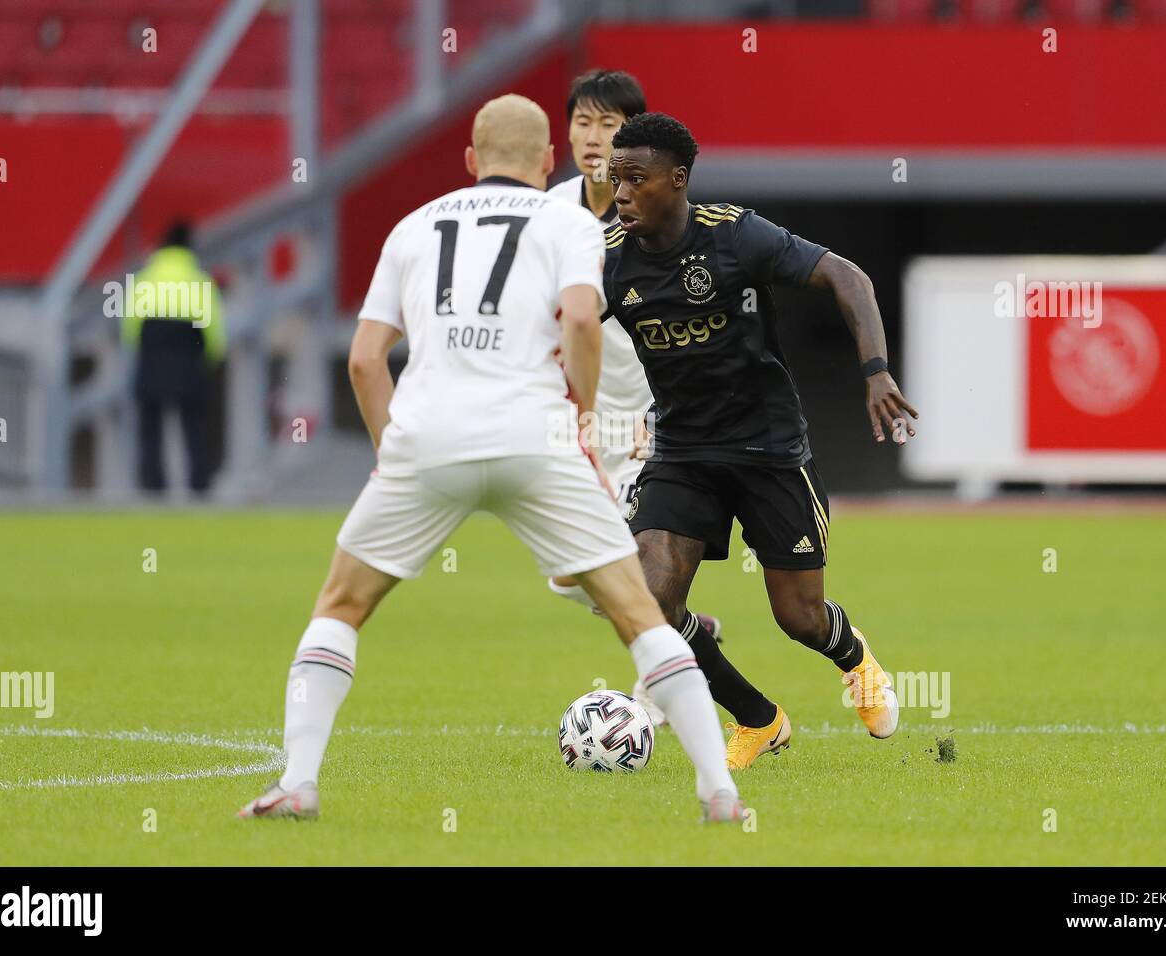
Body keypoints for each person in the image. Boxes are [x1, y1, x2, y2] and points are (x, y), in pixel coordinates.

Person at [238, 95, 742, 824]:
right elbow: (578, 319)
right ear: (547, 163)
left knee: (341, 606)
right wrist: (586, 424)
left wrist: (394, 459)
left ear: (471, 161)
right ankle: (719, 794)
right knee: (640, 615)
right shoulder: (569, 220)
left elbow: (364, 360)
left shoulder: (413, 226)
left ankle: (299, 783)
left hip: (427, 435)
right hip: (534, 436)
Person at [602, 113, 921, 766]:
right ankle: (757, 716)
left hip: (768, 450)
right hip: (682, 454)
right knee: (647, 603)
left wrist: (876, 371)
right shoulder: (607, 259)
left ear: (678, 180)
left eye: (637, 179)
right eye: (616, 180)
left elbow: (848, 277)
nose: (623, 193)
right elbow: (560, 328)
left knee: (798, 618)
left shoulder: (734, 237)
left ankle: (854, 658)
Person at [544, 69, 725, 726]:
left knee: (635, 566)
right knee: (567, 576)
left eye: (609, 125)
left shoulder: (651, 210)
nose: (594, 139)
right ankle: (687, 630)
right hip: (583, 420)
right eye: (583, 123)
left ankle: (649, 709)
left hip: (651, 417)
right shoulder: (552, 209)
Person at [122, 220, 225, 494]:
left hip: (153, 356)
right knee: (194, 426)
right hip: (188, 356)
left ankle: (154, 486)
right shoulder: (199, 279)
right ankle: (199, 485)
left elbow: (130, 327)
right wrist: (208, 360)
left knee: (150, 427)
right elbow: (214, 330)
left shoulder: (145, 278)